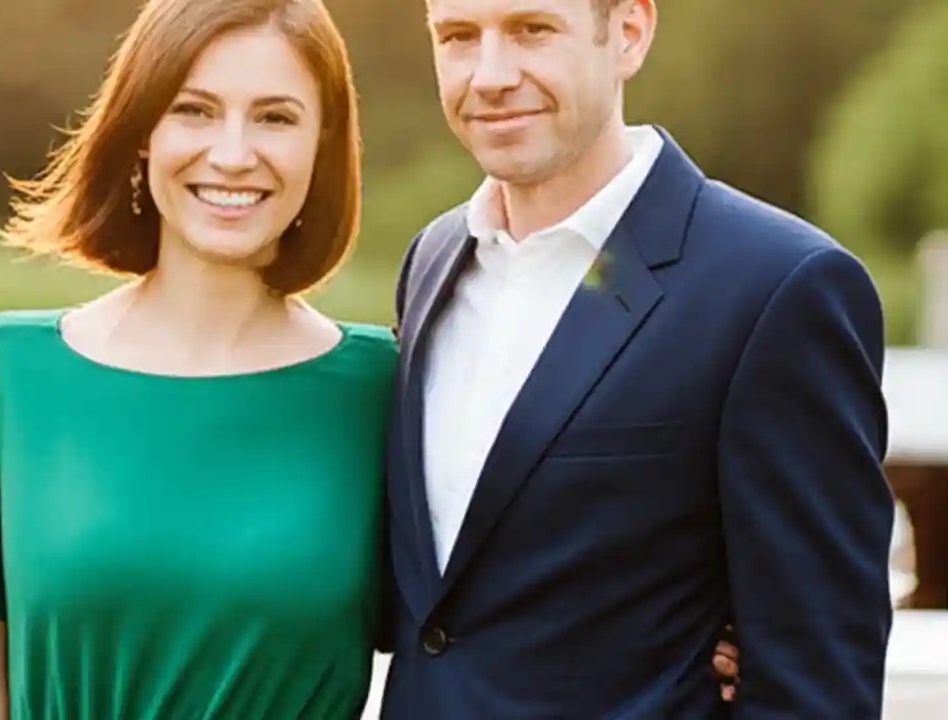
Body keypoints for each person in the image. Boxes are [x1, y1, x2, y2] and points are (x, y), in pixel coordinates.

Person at [0, 0, 740, 717]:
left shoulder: (383, 389)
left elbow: (506, 592)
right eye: (193, 110)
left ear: (322, 149)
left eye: (276, 118)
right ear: (141, 134)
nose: (232, 154)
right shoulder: (12, 373)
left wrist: (713, 634)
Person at [381, 0, 894, 717]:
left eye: (532, 29)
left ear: (628, 33)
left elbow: (818, 678)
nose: (490, 75)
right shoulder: (432, 259)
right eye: (459, 36)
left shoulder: (777, 287)